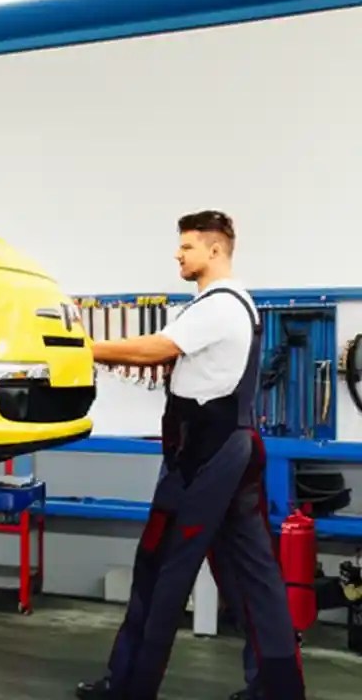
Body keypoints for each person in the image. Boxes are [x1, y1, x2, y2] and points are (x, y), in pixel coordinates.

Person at [75, 210, 306, 700]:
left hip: (205, 460)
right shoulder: (234, 304)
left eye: (187, 246)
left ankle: (129, 688)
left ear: (215, 249)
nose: (178, 254)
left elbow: (154, 349)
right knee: (253, 576)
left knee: (160, 568)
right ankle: (277, 689)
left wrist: (81, 348)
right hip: (232, 451)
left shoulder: (217, 305)